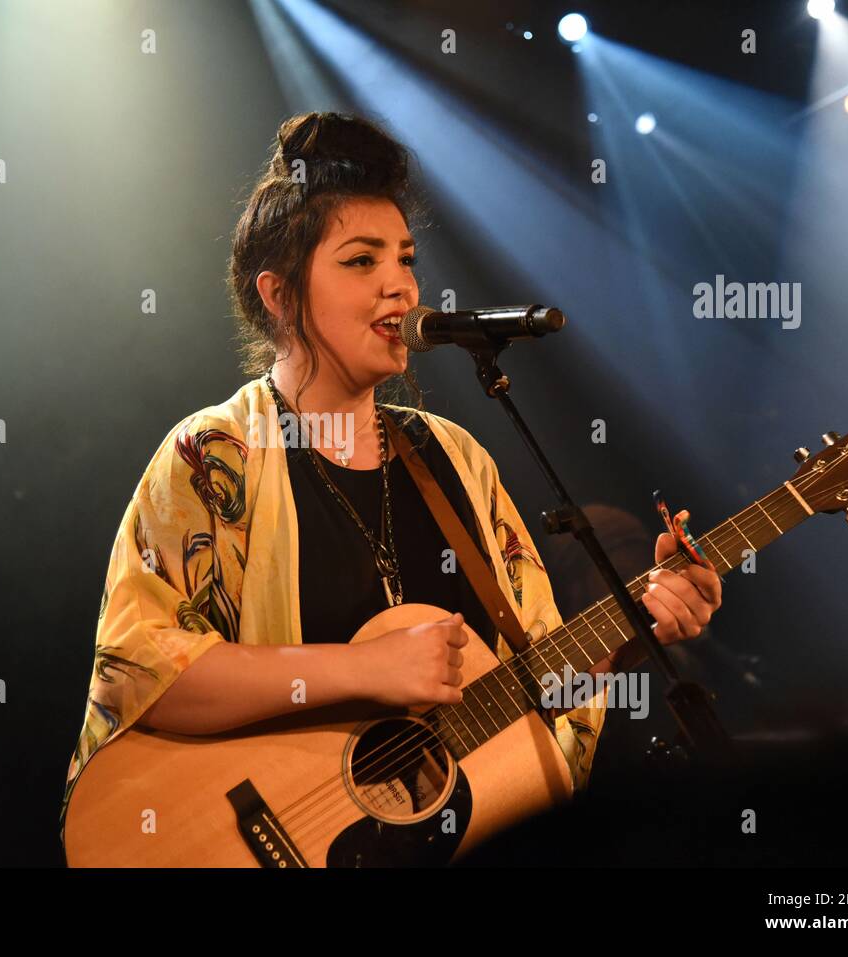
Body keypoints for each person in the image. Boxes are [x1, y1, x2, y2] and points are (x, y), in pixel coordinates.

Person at [59, 111, 722, 850]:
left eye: (405, 259)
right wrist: (365, 669)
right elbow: (145, 672)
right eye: (361, 261)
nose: (401, 288)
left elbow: (537, 683)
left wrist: (635, 626)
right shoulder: (214, 456)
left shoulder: (457, 460)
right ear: (278, 295)